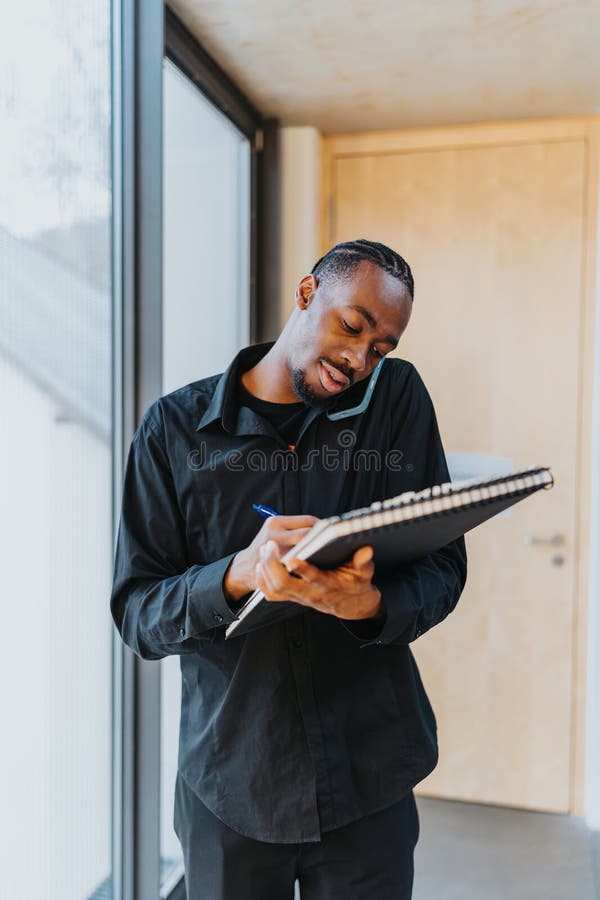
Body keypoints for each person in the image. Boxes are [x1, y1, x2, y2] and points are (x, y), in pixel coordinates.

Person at [110, 238, 468, 899]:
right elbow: (137, 614)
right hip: (230, 786)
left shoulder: (396, 400)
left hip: (371, 774)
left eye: (380, 347)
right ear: (307, 293)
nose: (359, 360)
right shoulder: (172, 432)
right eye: (351, 326)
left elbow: (444, 565)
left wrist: (368, 605)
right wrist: (233, 577)